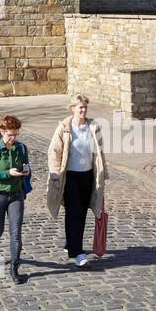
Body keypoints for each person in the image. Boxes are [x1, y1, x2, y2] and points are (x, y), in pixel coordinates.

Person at [47, 94, 107, 267]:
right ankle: (77, 252)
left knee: (82, 212)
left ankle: (70, 243)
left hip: (87, 175)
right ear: (72, 108)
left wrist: (102, 175)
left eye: (85, 107)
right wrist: (55, 172)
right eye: (80, 107)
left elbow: (99, 155)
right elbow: (54, 152)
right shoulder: (65, 128)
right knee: (74, 212)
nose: (83, 110)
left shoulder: (93, 127)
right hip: (70, 176)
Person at [0, 114, 30, 285]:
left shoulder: (22, 148)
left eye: (15, 134)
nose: (12, 138)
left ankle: (14, 269)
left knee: (16, 233)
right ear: (2, 131)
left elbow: (26, 166)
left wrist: (26, 171)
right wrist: (7, 173)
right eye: (10, 134)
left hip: (16, 195)